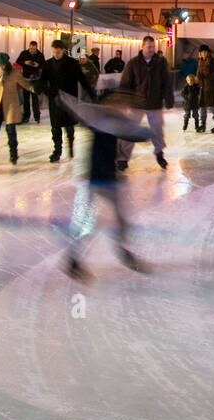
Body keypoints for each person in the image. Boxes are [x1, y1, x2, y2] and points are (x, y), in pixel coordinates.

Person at [57, 91, 153, 281]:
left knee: (118, 220)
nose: (120, 105)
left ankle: (121, 252)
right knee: (86, 222)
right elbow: (78, 106)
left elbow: (135, 132)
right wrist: (60, 96)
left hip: (108, 179)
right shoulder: (101, 118)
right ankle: (73, 259)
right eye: (116, 102)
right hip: (95, 180)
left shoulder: (112, 119)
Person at [115, 35, 173, 170]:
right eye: (149, 47)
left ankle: (159, 153)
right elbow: (125, 83)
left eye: (153, 47)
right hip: (137, 103)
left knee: (157, 130)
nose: (152, 49)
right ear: (143, 47)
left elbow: (167, 82)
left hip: (154, 102)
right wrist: (123, 100)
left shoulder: (161, 62)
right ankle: (123, 158)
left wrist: (169, 99)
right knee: (130, 130)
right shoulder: (133, 63)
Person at [40, 38, 95, 162]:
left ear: (63, 51)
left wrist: (91, 93)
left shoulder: (72, 63)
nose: (56, 55)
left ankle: (70, 144)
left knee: (69, 125)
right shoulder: (48, 64)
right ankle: (57, 151)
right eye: (54, 52)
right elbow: (42, 81)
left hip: (69, 99)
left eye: (58, 52)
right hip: (55, 99)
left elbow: (81, 78)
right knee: (55, 127)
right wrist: (47, 91)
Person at [15, 40, 45, 123]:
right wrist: (25, 62)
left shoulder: (40, 55)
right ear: (29, 47)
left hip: (35, 79)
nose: (32, 50)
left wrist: (38, 65)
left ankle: (37, 116)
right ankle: (26, 116)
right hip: (25, 79)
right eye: (31, 49)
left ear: (36, 48)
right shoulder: (24, 53)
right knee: (26, 99)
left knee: (35, 98)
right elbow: (17, 62)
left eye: (34, 49)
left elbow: (44, 64)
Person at [195, 44, 214, 133]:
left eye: (205, 52)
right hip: (203, 87)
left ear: (208, 52)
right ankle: (203, 124)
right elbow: (198, 73)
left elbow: (213, 75)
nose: (204, 54)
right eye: (202, 52)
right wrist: (199, 79)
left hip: (211, 87)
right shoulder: (201, 61)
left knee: (212, 106)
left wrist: (203, 75)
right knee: (202, 106)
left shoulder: (212, 61)